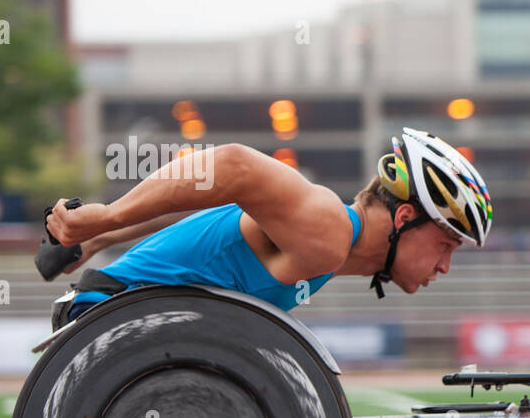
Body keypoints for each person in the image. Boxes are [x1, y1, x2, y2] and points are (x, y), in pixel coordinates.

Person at [43, 127, 492, 329]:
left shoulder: (324, 245)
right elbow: (234, 166)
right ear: (404, 218)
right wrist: (110, 216)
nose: (446, 266)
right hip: (109, 319)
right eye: (446, 244)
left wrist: (99, 239)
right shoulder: (328, 229)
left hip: (113, 313)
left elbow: (212, 205)